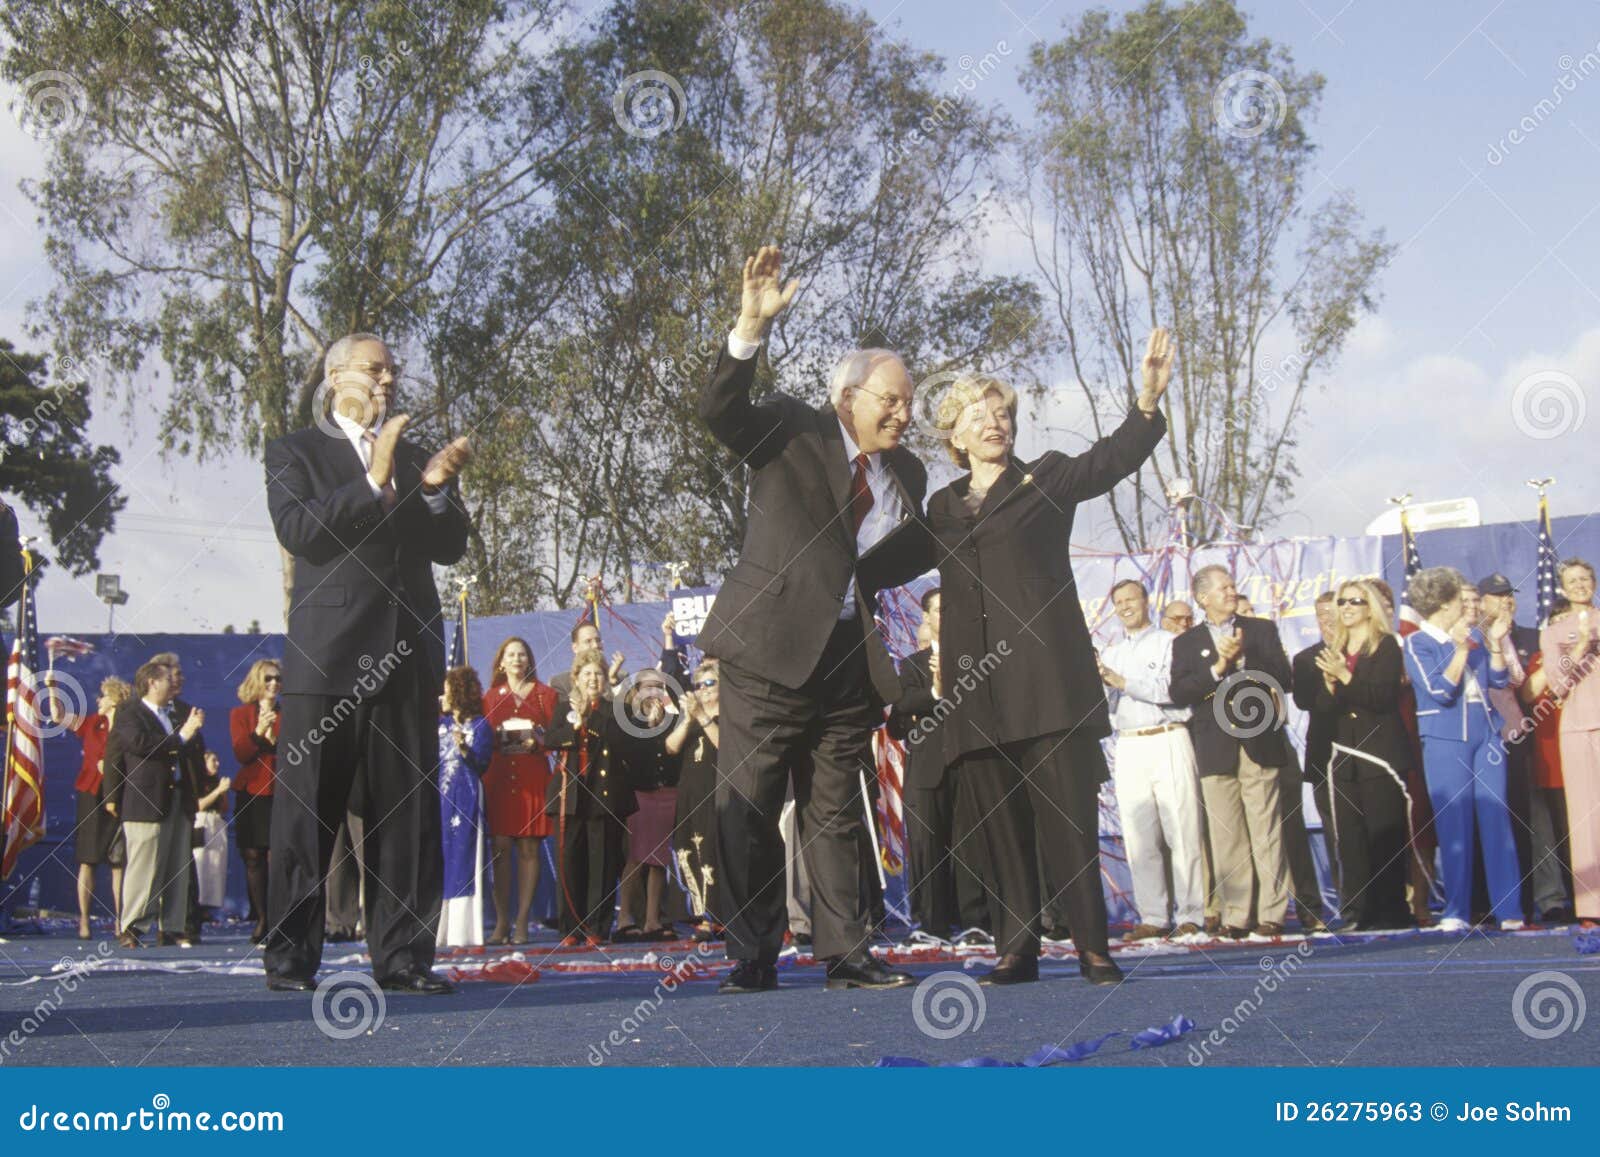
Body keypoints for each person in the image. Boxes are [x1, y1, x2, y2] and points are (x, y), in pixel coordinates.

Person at [696, 246, 933, 994]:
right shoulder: (794, 429)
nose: (904, 411)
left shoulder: (910, 474)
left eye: (909, 399)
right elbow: (720, 412)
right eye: (890, 399)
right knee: (751, 808)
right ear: (847, 397)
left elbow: (884, 564)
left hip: (844, 661)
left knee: (834, 811)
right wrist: (748, 326)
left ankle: (846, 951)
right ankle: (753, 954)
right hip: (766, 651)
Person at [928, 332, 1171, 986]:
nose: (994, 423)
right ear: (954, 433)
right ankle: (1018, 947)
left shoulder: (1048, 477)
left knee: (1068, 827)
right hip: (978, 698)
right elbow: (893, 555)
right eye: (978, 414)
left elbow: (1111, 460)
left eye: (1002, 412)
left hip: (1048, 688)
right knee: (1000, 831)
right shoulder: (940, 508)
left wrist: (1145, 402)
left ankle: (1094, 946)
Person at [263, 331, 471, 994]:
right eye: (375, 369)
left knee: (404, 817)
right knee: (307, 815)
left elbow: (450, 546)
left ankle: (404, 957)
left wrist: (434, 488)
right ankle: (291, 958)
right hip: (326, 664)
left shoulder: (414, 456)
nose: (388, 379)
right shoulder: (293, 452)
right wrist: (375, 476)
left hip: (405, 662)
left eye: (392, 369)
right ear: (336, 377)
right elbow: (302, 532)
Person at [1170, 565, 1296, 940]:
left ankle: (1271, 912)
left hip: (1258, 741)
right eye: (1222, 588)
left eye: (1232, 586)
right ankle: (1236, 913)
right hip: (1214, 746)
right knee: (1226, 835)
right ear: (1202, 598)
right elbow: (1180, 693)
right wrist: (1219, 667)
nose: (1230, 591)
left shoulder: (1261, 630)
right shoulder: (1185, 643)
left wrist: (1244, 661)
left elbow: (1285, 679)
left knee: (1266, 830)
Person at [1401, 566, 1522, 932]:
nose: (1465, 605)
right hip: (1445, 738)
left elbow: (1499, 680)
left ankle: (1510, 909)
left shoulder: (1472, 634)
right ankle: (1456, 910)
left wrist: (1496, 644)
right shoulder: (1418, 642)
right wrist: (1459, 650)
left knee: (1496, 820)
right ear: (1442, 604)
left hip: (1485, 735)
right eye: (1459, 599)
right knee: (1455, 826)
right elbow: (1441, 691)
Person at [1096, 578, 1205, 941]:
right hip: (1129, 744)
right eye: (1119, 601)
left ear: (1146, 602)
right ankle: (1153, 915)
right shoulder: (1110, 653)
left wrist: (1121, 681)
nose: (1126, 606)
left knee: (1182, 829)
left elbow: (1170, 692)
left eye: (1131, 599)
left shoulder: (1171, 644)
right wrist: (1101, 684)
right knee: (1139, 835)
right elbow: (1108, 709)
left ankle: (1191, 913)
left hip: (1168, 737)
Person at [886, 587, 990, 943]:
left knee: (971, 846)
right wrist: (935, 693)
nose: (945, 615)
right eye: (937, 610)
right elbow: (902, 708)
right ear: (926, 618)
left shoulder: (978, 659)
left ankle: (976, 922)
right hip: (927, 769)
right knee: (927, 846)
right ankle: (932, 924)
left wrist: (929, 704)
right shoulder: (912, 664)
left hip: (970, 764)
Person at [1314, 579, 1413, 930]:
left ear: (1370, 607)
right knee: (1351, 838)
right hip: (1344, 756)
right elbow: (1323, 709)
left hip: (1379, 754)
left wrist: (1345, 675)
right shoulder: (1335, 646)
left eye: (1355, 601)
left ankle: (1390, 911)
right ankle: (1356, 912)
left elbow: (1382, 698)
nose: (1347, 607)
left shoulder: (1385, 646)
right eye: (1342, 602)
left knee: (1383, 835)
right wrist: (1328, 686)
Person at [106, 660, 205, 949]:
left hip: (178, 797)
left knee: (177, 865)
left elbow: (191, 753)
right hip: (145, 800)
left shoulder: (178, 714)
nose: (174, 684)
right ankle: (133, 926)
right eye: (168, 679)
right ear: (152, 682)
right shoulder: (130, 712)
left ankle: (173, 926)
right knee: (144, 864)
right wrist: (183, 735)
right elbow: (140, 745)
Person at [542, 649, 638, 944]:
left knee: (603, 864)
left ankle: (597, 927)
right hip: (571, 795)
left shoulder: (613, 709)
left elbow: (620, 740)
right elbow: (551, 739)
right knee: (570, 861)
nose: (593, 679)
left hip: (604, 796)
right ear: (576, 678)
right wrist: (575, 723)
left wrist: (590, 715)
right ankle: (570, 927)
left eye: (597, 673)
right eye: (587, 674)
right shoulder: (563, 707)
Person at [481, 636, 560, 945]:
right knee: (500, 849)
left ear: (529, 661)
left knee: (529, 848)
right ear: (501, 662)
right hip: (499, 779)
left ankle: (524, 920)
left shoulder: (546, 695)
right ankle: (501, 922)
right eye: (510, 655)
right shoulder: (489, 698)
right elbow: (480, 737)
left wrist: (538, 742)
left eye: (522, 654)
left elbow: (558, 735)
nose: (516, 659)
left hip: (532, 777)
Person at [46, 674, 132, 939]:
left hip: (119, 795)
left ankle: (122, 922)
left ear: (116, 699)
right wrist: (53, 688)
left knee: (119, 862)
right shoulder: (92, 724)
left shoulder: (130, 728)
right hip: (90, 794)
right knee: (87, 860)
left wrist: (114, 769)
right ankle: (84, 921)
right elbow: (58, 715)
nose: (99, 700)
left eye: (104, 695)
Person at [1541, 558, 1600, 923]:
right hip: (1577, 728)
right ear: (1563, 588)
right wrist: (1578, 651)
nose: (1580, 585)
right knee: (1584, 820)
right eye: (1573, 580)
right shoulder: (1554, 632)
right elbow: (1557, 685)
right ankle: (1592, 907)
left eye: (1585, 578)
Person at [614, 648, 682, 942]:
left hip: (668, 793)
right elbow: (629, 754)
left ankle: (653, 918)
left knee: (659, 858)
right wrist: (648, 725)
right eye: (648, 686)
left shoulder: (673, 717)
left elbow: (675, 752)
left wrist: (663, 722)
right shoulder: (628, 721)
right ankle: (625, 915)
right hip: (640, 794)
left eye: (659, 686)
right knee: (635, 856)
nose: (654, 691)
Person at [148, 651, 211, 942]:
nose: (180, 679)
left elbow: (197, 756)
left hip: (182, 794)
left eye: (181, 674)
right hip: (151, 795)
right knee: (153, 861)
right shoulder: (140, 711)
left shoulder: (188, 711)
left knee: (183, 860)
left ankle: (185, 924)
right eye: (174, 674)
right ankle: (151, 924)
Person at [1521, 596, 1573, 923]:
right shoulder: (1540, 659)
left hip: (1584, 760)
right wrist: (1558, 659)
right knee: (1546, 836)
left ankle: (1588, 895)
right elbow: (1528, 694)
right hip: (1547, 758)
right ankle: (1551, 898)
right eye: (1560, 623)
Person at [666, 656, 724, 942]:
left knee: (715, 854)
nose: (704, 689)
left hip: (718, 795)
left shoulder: (728, 715)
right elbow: (670, 746)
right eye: (699, 685)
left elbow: (724, 744)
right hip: (690, 796)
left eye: (710, 683)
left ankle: (721, 916)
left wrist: (703, 716)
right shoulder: (691, 719)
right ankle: (702, 915)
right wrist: (689, 719)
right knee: (689, 853)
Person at [438, 666, 493, 948]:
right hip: (439, 799)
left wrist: (464, 749)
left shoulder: (481, 726)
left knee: (463, 857)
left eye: (447, 690)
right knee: (439, 858)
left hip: (467, 797)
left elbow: (482, 763)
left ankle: (462, 931)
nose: (442, 695)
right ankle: (437, 929)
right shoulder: (440, 725)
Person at [1292, 592, 1340, 892]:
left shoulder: (1365, 652)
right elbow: (1305, 701)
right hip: (1325, 752)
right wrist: (1329, 681)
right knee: (1334, 831)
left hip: (1367, 751)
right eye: (1321, 615)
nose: (1328, 621)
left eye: (1333, 613)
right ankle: (1348, 899)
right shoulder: (1305, 659)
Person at [230, 659, 280, 944]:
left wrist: (274, 738)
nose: (274, 684)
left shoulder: (290, 712)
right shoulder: (240, 714)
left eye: (278, 679)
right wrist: (259, 732)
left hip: (281, 791)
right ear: (257, 681)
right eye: (269, 678)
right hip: (252, 791)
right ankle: (261, 918)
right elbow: (241, 753)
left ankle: (276, 918)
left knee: (277, 857)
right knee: (253, 856)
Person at [191, 750, 232, 922]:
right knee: (201, 864)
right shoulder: (198, 781)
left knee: (215, 866)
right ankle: (197, 906)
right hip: (202, 822)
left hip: (217, 822)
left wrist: (223, 792)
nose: (217, 764)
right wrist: (217, 791)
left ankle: (208, 906)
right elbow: (198, 804)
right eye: (213, 760)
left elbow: (224, 808)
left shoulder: (217, 781)